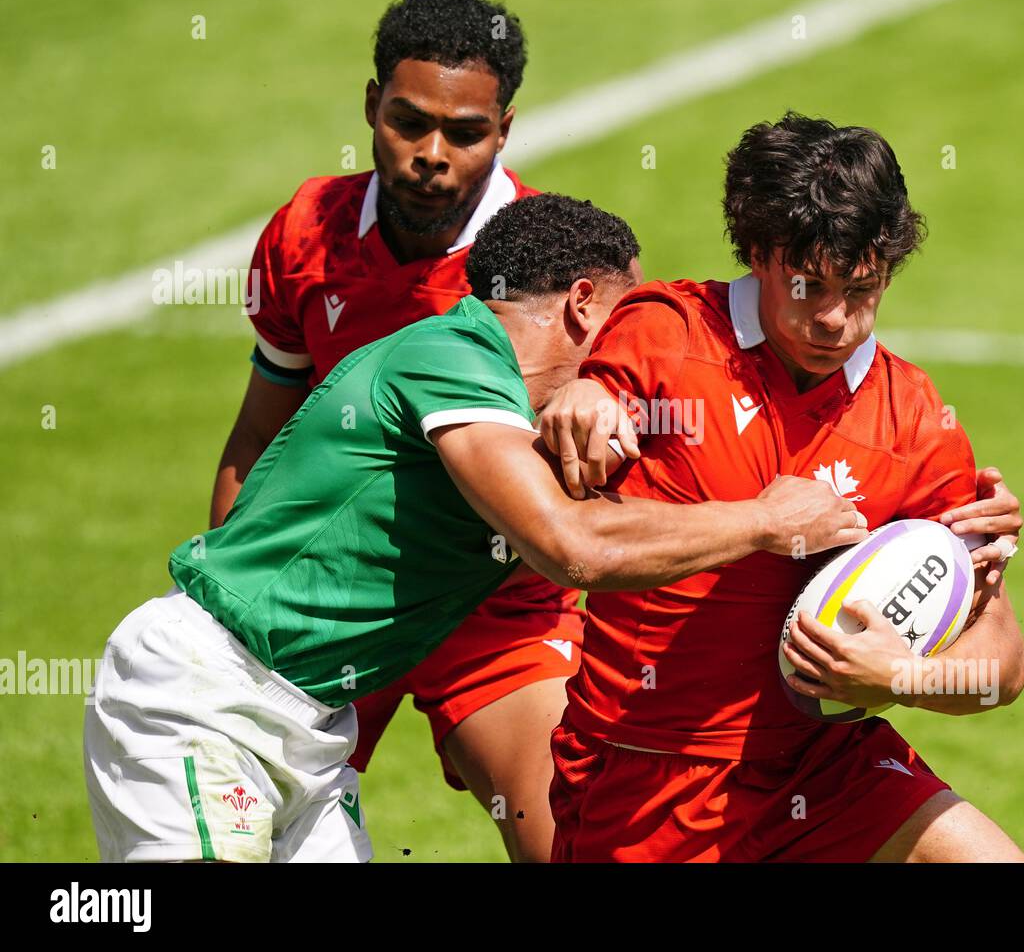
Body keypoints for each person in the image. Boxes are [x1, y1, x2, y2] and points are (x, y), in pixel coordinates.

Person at [84, 194, 869, 862]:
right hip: (206, 699)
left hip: (310, 727)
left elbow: (636, 519)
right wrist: (766, 521)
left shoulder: (514, 416)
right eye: (630, 323)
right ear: (584, 302)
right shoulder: (454, 357)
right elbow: (576, 547)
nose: (641, 352)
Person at [539, 114, 1024, 862]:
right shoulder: (665, 337)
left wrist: (903, 674)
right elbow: (583, 540)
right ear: (760, 252)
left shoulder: (914, 418)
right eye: (809, 287)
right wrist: (587, 398)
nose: (834, 319)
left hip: (826, 761)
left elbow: (1003, 662)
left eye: (862, 290)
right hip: (647, 770)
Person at [209, 0, 579, 861]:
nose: (431, 155)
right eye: (408, 122)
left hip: (495, 608)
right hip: (337, 596)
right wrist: (232, 609)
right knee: (238, 839)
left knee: (571, 838)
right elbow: (258, 436)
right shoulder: (306, 232)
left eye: (465, 132)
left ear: (506, 129)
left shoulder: (555, 270)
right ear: (369, 104)